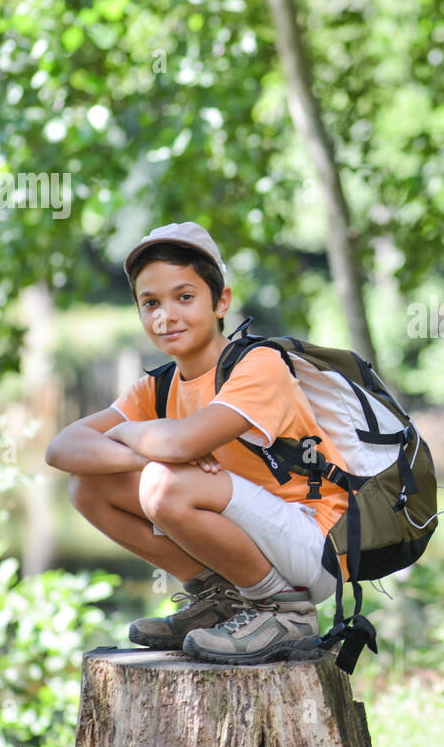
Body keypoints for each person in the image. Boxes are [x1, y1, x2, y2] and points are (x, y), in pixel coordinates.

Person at [45, 221, 349, 663]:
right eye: (151, 303)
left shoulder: (257, 366)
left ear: (220, 301)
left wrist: (133, 433)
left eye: (184, 297)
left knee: (165, 484)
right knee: (89, 487)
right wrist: (152, 447)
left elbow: (181, 445)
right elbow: (63, 449)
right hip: (256, 540)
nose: (166, 315)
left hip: (313, 548)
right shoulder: (160, 388)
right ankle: (221, 600)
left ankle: (284, 613)